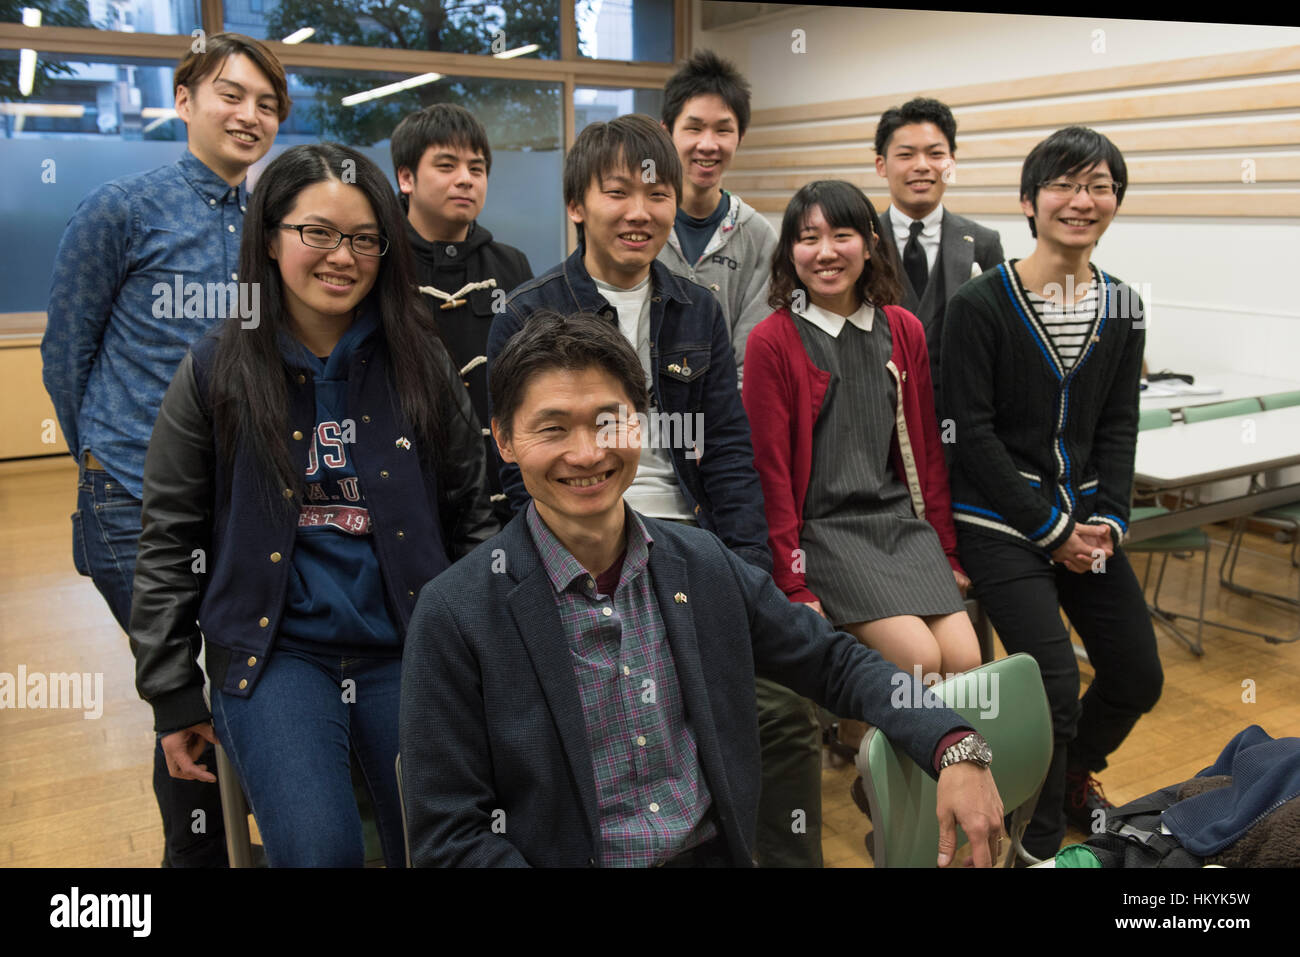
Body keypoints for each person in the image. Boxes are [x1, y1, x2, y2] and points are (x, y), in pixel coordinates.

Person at [400, 309, 1005, 867]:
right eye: (552, 428)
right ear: (504, 440)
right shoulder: (457, 613)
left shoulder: (700, 564)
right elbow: (449, 836)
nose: (586, 453)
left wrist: (954, 743)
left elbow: (834, 661)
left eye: (609, 422)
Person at [129, 143, 496, 867]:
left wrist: (484, 656)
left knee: (441, 846)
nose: (343, 256)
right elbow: (168, 539)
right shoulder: (215, 370)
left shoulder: (421, 366)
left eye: (364, 238)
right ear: (270, 237)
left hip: (407, 645)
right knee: (320, 849)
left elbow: (470, 516)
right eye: (317, 232)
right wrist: (172, 693)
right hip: (278, 656)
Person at [40, 32, 290, 868]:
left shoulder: (271, 226)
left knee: (222, 683)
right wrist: (99, 461)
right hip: (134, 499)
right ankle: (198, 857)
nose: (249, 115)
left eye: (266, 103)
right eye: (231, 94)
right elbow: (65, 352)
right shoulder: (123, 208)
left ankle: (233, 844)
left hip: (237, 493)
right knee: (185, 685)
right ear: (184, 101)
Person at [942, 126, 1163, 863]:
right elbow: (969, 434)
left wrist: (1109, 519)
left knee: (1137, 671)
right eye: (1064, 185)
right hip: (1000, 523)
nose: (1082, 200)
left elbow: (1120, 422)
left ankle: (1067, 772)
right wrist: (1049, 527)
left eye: (1100, 186)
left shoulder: (1124, 304)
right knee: (1054, 684)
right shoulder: (981, 304)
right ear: (1029, 202)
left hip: (1087, 524)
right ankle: (1034, 846)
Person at [745, 180, 982, 846]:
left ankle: (891, 781)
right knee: (915, 659)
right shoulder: (773, 341)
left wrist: (949, 550)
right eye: (808, 237)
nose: (825, 251)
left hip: (896, 525)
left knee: (963, 658)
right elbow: (771, 475)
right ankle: (896, 813)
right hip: (825, 531)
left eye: (841, 234)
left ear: (870, 242)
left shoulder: (900, 328)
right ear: (789, 251)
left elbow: (926, 454)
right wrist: (792, 582)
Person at [486, 113, 770, 575]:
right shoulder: (525, 314)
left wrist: (750, 569)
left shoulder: (697, 307)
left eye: (658, 195)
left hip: (687, 528)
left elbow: (726, 449)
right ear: (576, 205)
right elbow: (519, 467)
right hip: (578, 533)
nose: (639, 212)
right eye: (617, 193)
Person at [391, 103, 534, 526]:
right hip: (408, 482)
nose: (465, 179)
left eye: (477, 167)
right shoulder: (377, 262)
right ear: (406, 178)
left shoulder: (512, 266)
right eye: (446, 165)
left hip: (504, 488)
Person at [657, 49, 778, 386]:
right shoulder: (643, 225)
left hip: (725, 424)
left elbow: (752, 359)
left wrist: (722, 430)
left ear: (740, 137)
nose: (707, 145)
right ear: (667, 132)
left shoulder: (758, 235)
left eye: (723, 130)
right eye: (693, 128)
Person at [872, 97, 1004, 404]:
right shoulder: (863, 242)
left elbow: (999, 342)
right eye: (906, 155)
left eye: (935, 154)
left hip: (959, 420)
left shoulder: (983, 244)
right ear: (882, 165)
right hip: (881, 416)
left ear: (951, 163)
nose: (922, 166)